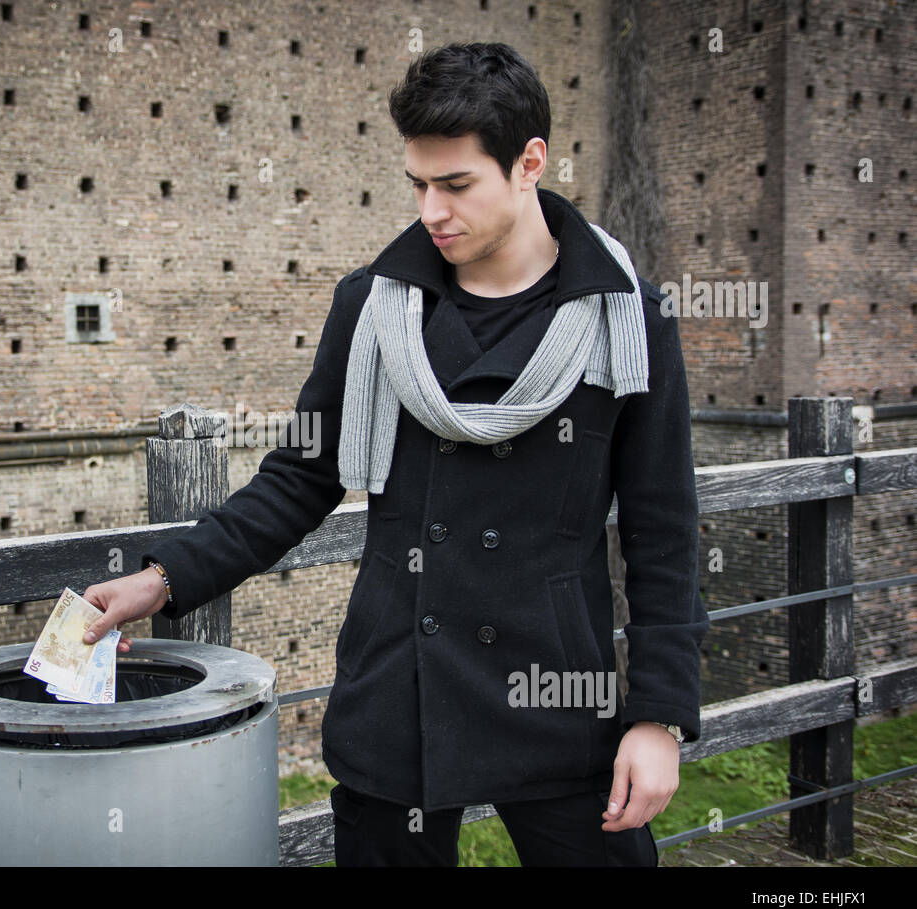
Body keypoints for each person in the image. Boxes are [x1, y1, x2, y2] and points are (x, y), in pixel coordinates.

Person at [80, 42, 708, 866]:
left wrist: (658, 716)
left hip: (557, 692)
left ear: (529, 163)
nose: (431, 211)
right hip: (398, 688)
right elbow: (299, 478)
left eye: (455, 185)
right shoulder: (373, 307)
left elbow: (664, 531)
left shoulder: (626, 319)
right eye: (417, 184)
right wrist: (162, 580)